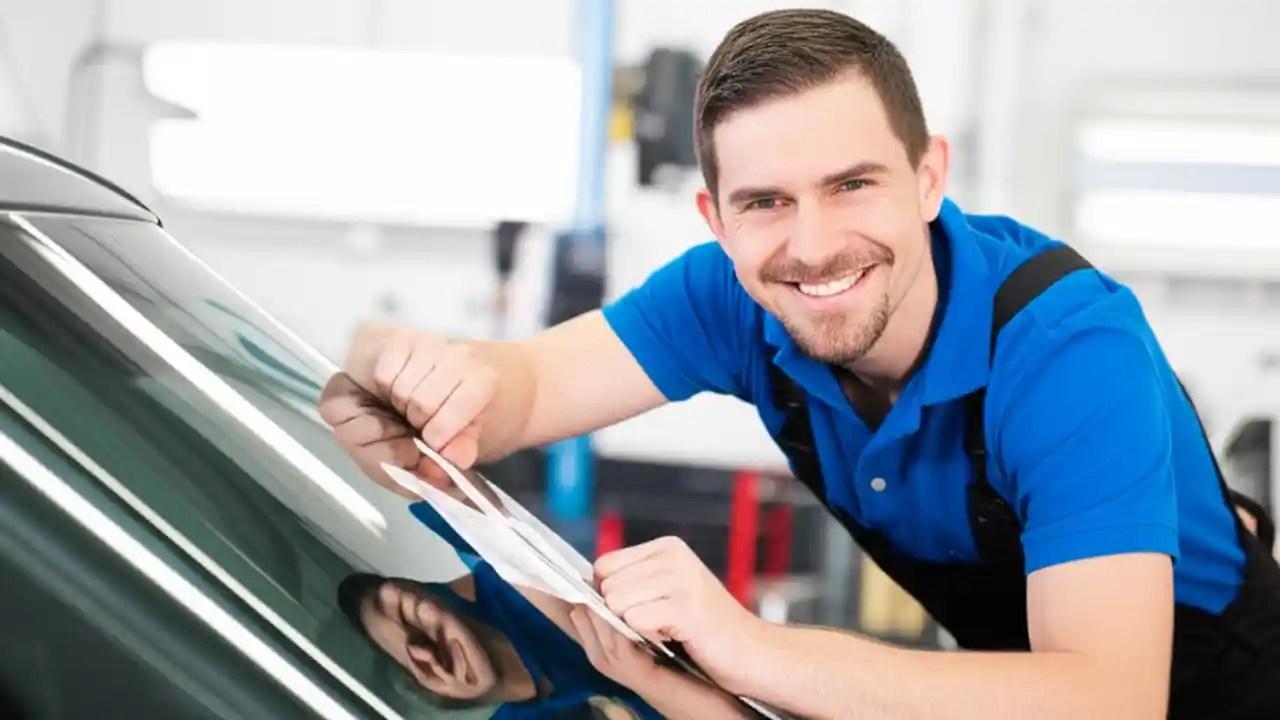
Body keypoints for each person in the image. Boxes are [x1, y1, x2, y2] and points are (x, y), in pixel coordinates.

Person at [319, 8, 1280, 719]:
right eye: (766, 202)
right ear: (716, 219)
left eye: (852, 185)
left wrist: (749, 649)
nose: (811, 247)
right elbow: (516, 390)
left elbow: (1108, 700)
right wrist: (401, 365)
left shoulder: (1067, 350)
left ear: (930, 177)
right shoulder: (728, 294)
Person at [333, 497, 755, 719]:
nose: (427, 654)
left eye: (410, 618)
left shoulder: (503, 568)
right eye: (409, 670)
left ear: (424, 588)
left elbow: (429, 482)